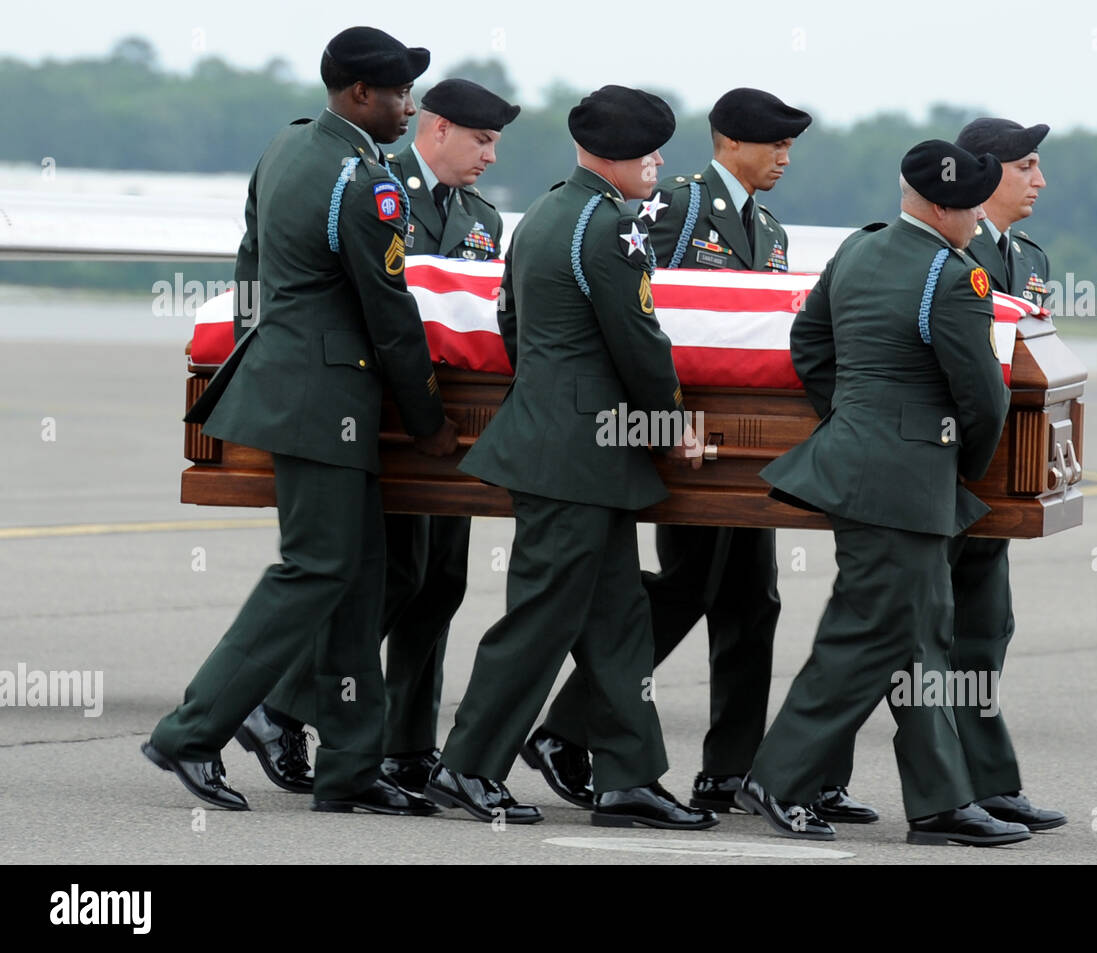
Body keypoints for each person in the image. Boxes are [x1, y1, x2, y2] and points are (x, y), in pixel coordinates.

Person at [526, 87, 873, 823]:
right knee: (687, 584)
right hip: (681, 437)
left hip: (745, 447)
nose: (785, 158)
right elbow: (629, 307)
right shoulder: (677, 208)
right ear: (729, 143)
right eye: (774, 144)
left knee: (754, 602)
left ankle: (730, 770)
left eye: (789, 146)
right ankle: (566, 729)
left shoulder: (770, 233)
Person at [142, 26, 458, 815]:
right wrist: (426, 419)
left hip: (297, 389)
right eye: (396, 94)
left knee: (359, 577)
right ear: (359, 94)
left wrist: (262, 346)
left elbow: (250, 262)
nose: (406, 107)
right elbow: (390, 313)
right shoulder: (362, 181)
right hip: (328, 405)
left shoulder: (286, 150)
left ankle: (351, 765)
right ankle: (191, 730)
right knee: (315, 569)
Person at [423, 85, 716, 830]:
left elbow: (510, 321)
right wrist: (671, 423)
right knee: (542, 620)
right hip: (579, 458)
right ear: (615, 156)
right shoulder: (609, 226)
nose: (656, 163)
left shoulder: (548, 214)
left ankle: (629, 779)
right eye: (649, 151)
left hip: (572, 447)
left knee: (617, 620)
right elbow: (639, 341)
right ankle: (466, 768)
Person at [738, 140, 1030, 846]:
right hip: (905, 482)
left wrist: (854, 417)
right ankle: (775, 779)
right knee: (866, 637)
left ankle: (940, 803)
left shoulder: (859, 252)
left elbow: (809, 343)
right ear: (938, 206)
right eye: (965, 205)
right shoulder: (956, 278)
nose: (972, 216)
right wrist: (963, 466)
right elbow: (981, 398)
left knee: (920, 638)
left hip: (865, 469)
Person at [237, 78, 520, 805]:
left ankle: (406, 745)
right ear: (436, 129)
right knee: (392, 575)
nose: (491, 155)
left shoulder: (483, 219)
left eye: (496, 143)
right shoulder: (370, 186)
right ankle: (284, 704)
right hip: (381, 416)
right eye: (481, 140)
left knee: (442, 584)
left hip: (453, 425)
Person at [938, 116, 1065, 830]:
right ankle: (800, 778)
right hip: (946, 471)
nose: (1040, 181)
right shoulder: (952, 253)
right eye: (1027, 166)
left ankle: (988, 782)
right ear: (986, 175)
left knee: (986, 629)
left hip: (996, 479)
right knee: (901, 634)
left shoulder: (1028, 256)